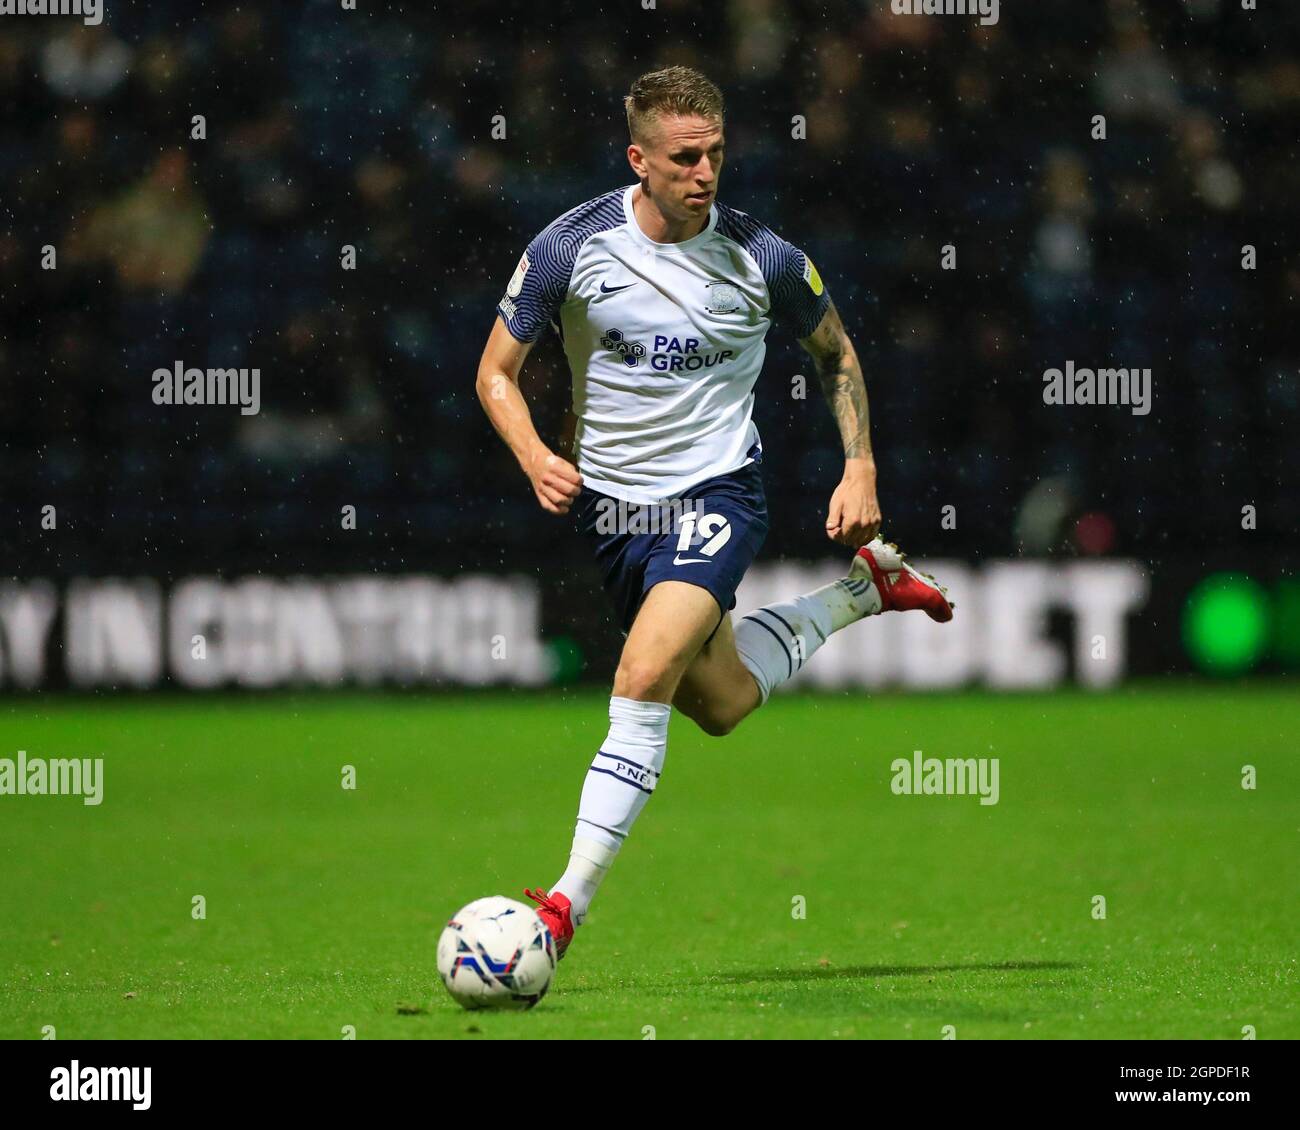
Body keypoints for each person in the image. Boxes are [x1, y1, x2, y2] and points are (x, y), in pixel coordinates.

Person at [476, 66, 952, 959]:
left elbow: (838, 355)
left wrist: (861, 464)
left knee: (639, 676)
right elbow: (494, 373)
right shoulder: (568, 247)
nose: (704, 173)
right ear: (639, 160)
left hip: (716, 495)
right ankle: (864, 592)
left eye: (716, 155)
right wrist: (536, 454)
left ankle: (564, 907)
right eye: (685, 158)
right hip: (616, 514)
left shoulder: (763, 258)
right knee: (722, 703)